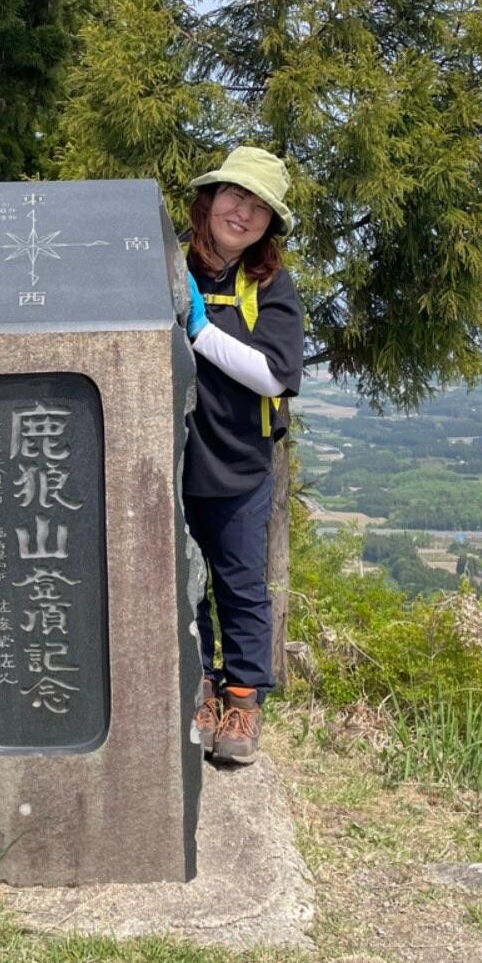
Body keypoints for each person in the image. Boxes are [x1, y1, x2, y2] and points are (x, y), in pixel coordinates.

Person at [182, 145, 303, 765]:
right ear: (210, 199)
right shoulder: (167, 265)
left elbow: (276, 377)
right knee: (184, 584)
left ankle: (243, 702)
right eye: (235, 195)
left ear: (268, 225)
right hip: (171, 456)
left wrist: (201, 330)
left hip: (238, 464)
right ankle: (196, 690)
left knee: (239, 586)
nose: (243, 212)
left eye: (259, 207)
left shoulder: (271, 285)